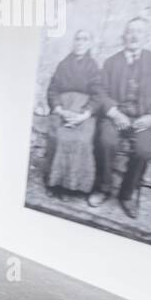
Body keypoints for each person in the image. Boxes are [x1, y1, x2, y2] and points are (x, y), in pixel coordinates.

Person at [89, 17, 151, 219]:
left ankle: (127, 195)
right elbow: (100, 91)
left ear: (146, 36)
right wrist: (114, 113)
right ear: (123, 36)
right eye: (130, 32)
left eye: (139, 32)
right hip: (116, 116)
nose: (134, 36)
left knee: (143, 151)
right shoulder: (111, 62)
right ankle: (104, 188)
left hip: (142, 119)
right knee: (105, 141)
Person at [43, 29, 102, 197]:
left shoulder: (93, 67)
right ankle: (56, 183)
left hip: (83, 111)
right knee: (59, 136)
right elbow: (52, 90)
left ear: (89, 43)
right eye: (77, 39)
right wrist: (60, 110)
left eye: (85, 39)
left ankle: (74, 186)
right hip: (63, 108)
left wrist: (83, 115)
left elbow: (98, 95)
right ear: (73, 42)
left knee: (81, 139)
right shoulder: (63, 65)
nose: (80, 43)